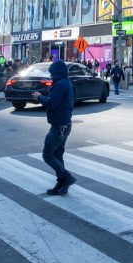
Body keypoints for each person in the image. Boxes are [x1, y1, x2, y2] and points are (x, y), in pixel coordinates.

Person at [31, 60, 77, 195]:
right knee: (57, 154)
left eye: (52, 73)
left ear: (57, 72)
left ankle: (66, 177)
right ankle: (62, 184)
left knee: (47, 154)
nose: (50, 75)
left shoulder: (60, 85)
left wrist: (39, 97)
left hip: (59, 127)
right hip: (64, 125)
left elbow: (52, 104)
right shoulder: (65, 83)